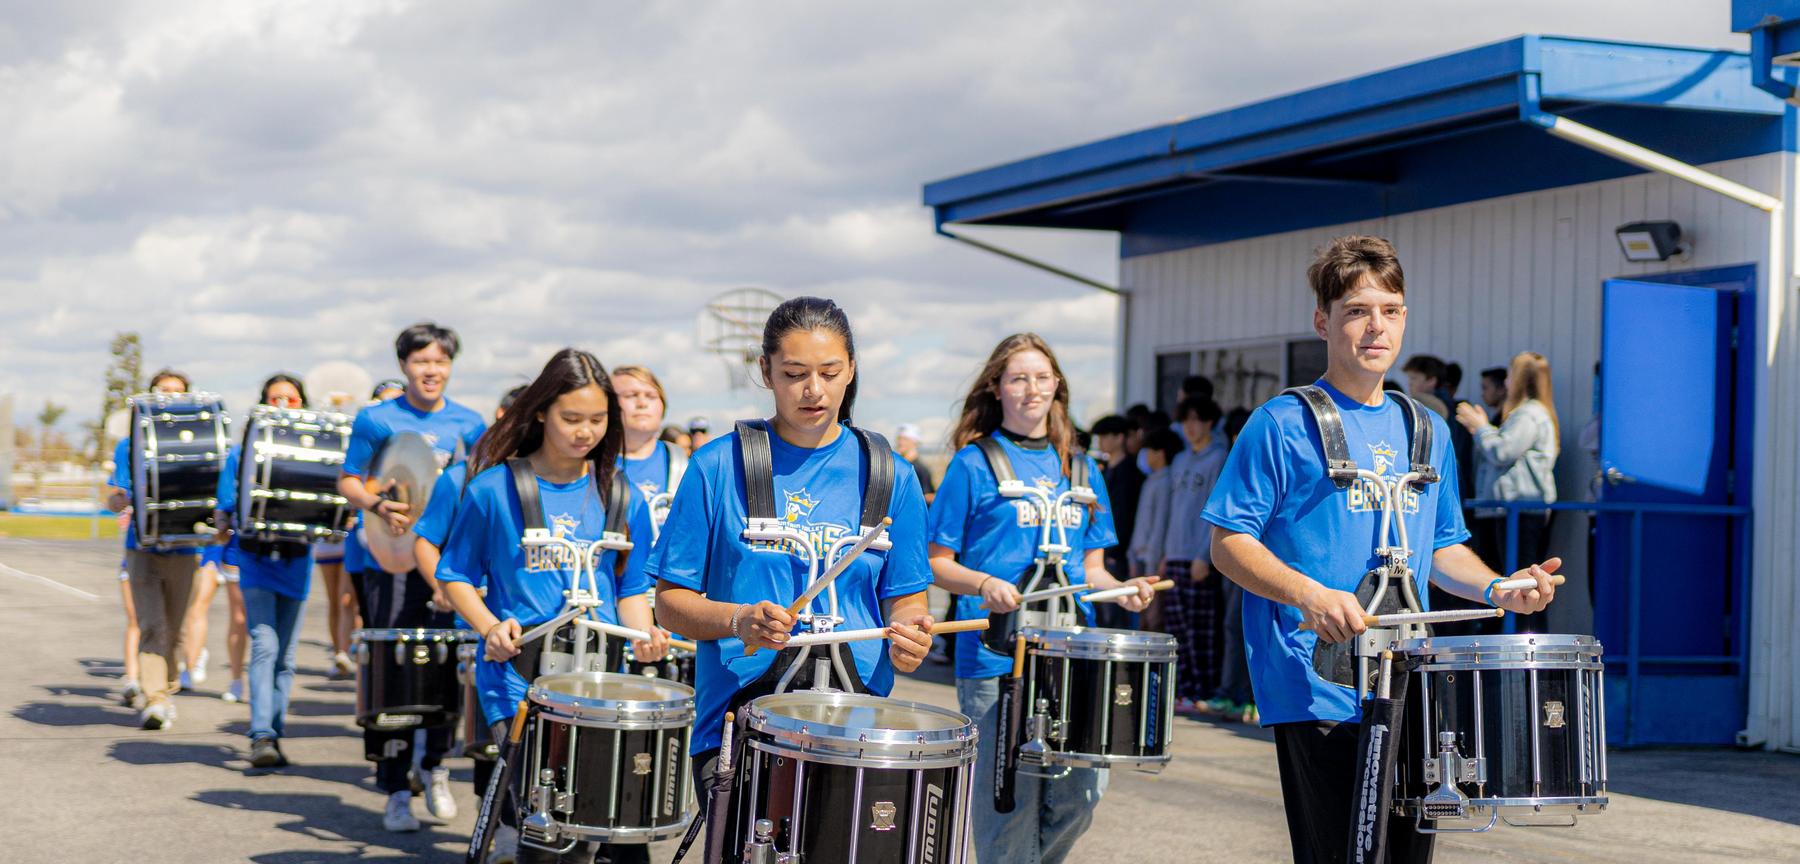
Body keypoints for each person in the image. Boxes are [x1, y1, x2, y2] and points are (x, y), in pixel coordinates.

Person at [1205, 234, 1559, 864]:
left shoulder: (1428, 428)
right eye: (1357, 311)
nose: (1377, 327)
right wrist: (1308, 595)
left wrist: (1499, 587)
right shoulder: (1281, 423)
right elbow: (1229, 543)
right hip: (1318, 682)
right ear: (1323, 320)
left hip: (1412, 682)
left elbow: (1444, 546)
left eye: (1391, 310)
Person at [650, 297, 937, 795]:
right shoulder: (716, 467)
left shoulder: (893, 475)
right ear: (765, 372)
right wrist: (740, 621)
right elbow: (670, 606)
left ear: (851, 371)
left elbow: (906, 599)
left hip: (858, 726)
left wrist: (912, 638)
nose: (813, 390)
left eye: (830, 372)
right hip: (739, 727)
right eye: (794, 373)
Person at [928, 333, 1157, 864]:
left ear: (1057, 386)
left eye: (1041, 377)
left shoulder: (1082, 468)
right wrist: (983, 584)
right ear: (997, 387)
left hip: (1073, 659)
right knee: (1009, 804)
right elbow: (938, 562)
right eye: (1018, 378)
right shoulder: (972, 463)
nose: (1031, 389)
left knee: (1081, 795)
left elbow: (1093, 570)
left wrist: (1124, 592)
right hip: (995, 660)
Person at [439, 351, 666, 864]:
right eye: (571, 419)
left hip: (600, 683)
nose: (585, 431)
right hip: (518, 683)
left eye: (597, 419)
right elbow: (453, 575)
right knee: (545, 829)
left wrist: (644, 633)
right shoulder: (492, 489)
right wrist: (491, 626)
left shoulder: (621, 494)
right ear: (540, 412)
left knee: (593, 831)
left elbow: (629, 589)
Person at [337, 323, 487, 833]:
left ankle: (437, 765)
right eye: (422, 362)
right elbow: (350, 480)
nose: (432, 371)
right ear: (404, 366)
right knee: (393, 668)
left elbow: (478, 489)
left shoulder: (470, 423)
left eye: (441, 362)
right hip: (390, 560)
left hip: (446, 564)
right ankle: (396, 787)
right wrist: (379, 506)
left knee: (447, 667)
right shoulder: (376, 419)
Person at [213, 374, 318, 768]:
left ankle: (274, 730)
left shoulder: (314, 452)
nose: (283, 405)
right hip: (255, 557)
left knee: (286, 656)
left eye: (291, 399)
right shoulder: (243, 452)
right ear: (262, 404)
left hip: (296, 560)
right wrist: (222, 521)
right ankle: (260, 734)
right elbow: (226, 503)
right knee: (265, 644)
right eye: (275, 398)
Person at [106, 368, 196, 723]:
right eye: (162, 391)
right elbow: (117, 492)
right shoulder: (130, 443)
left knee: (175, 630)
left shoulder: (197, 441)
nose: (170, 397)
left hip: (186, 546)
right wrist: (118, 500)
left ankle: (165, 685)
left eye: (177, 391)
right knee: (152, 624)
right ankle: (155, 698)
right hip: (141, 545)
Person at [1456, 351, 1561, 631]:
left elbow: (1503, 450)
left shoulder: (1529, 414)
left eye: (1511, 374)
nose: (1506, 380)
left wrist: (1480, 428)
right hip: (1509, 510)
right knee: (1508, 582)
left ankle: (1526, 652)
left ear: (1521, 379)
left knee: (1525, 584)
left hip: (1520, 511)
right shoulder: (1529, 412)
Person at [1159, 397, 1229, 713]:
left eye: (1197, 419)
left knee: (1202, 630)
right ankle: (1184, 689)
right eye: (1186, 420)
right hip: (1173, 554)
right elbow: (1170, 511)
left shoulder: (1219, 459)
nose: (1191, 426)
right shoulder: (1179, 462)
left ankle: (1203, 690)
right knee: (1177, 629)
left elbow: (1218, 512)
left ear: (1210, 423)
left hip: (1199, 559)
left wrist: (1205, 555)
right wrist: (1162, 553)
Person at [612, 366, 687, 527]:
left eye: (651, 396)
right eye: (631, 395)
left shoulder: (680, 462)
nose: (642, 403)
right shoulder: (591, 464)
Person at [894, 422, 936, 504]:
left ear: (915, 442)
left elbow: (929, 496)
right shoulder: (896, 466)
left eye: (905, 439)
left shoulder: (921, 469)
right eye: (899, 439)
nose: (900, 442)